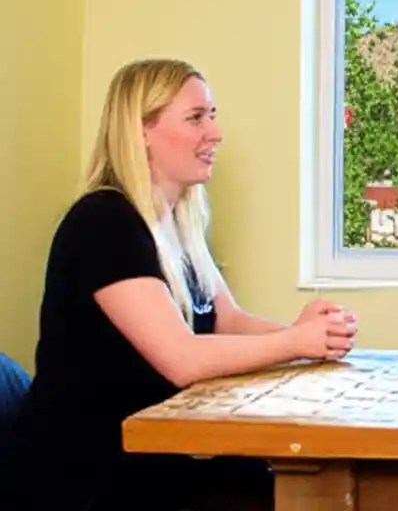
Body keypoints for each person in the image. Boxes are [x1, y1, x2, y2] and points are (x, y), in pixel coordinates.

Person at [3, 59, 360, 511]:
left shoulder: (178, 223)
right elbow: (182, 358)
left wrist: (312, 337)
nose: (215, 132)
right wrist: (295, 341)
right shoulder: (103, 222)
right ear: (142, 131)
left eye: (212, 115)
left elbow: (225, 320)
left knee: (295, 483)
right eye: (196, 118)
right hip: (85, 475)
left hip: (150, 456)